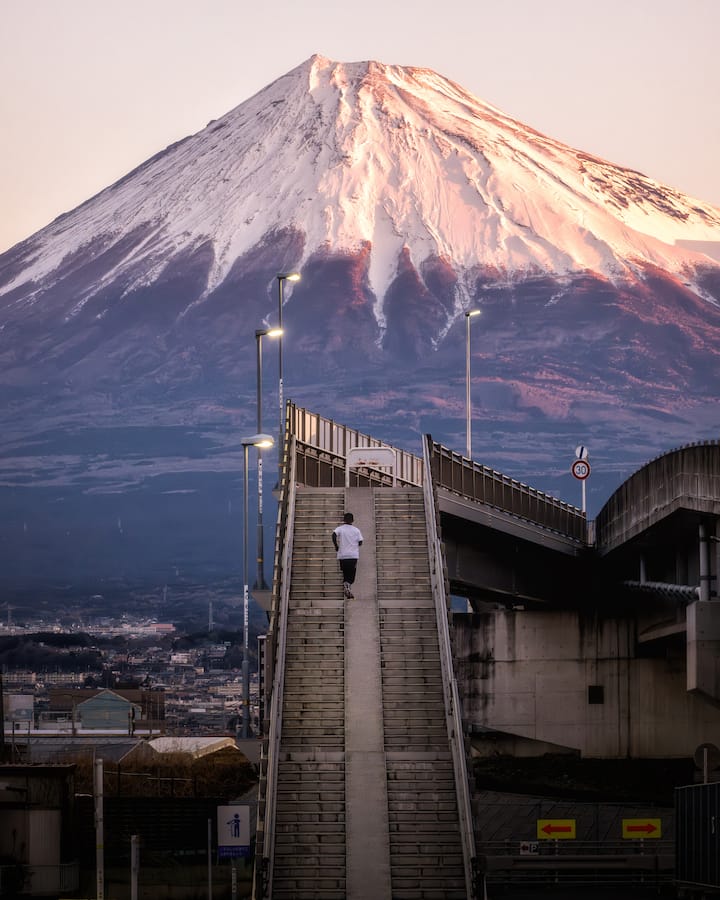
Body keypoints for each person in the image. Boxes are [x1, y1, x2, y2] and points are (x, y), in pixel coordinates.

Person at [332, 512, 363, 599]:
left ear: (344, 520)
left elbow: (333, 535)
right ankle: (347, 585)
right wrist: (356, 544)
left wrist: (336, 546)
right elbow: (360, 542)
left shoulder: (340, 528)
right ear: (353, 520)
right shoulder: (356, 530)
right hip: (353, 556)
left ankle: (347, 587)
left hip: (342, 556)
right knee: (351, 575)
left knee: (345, 573)